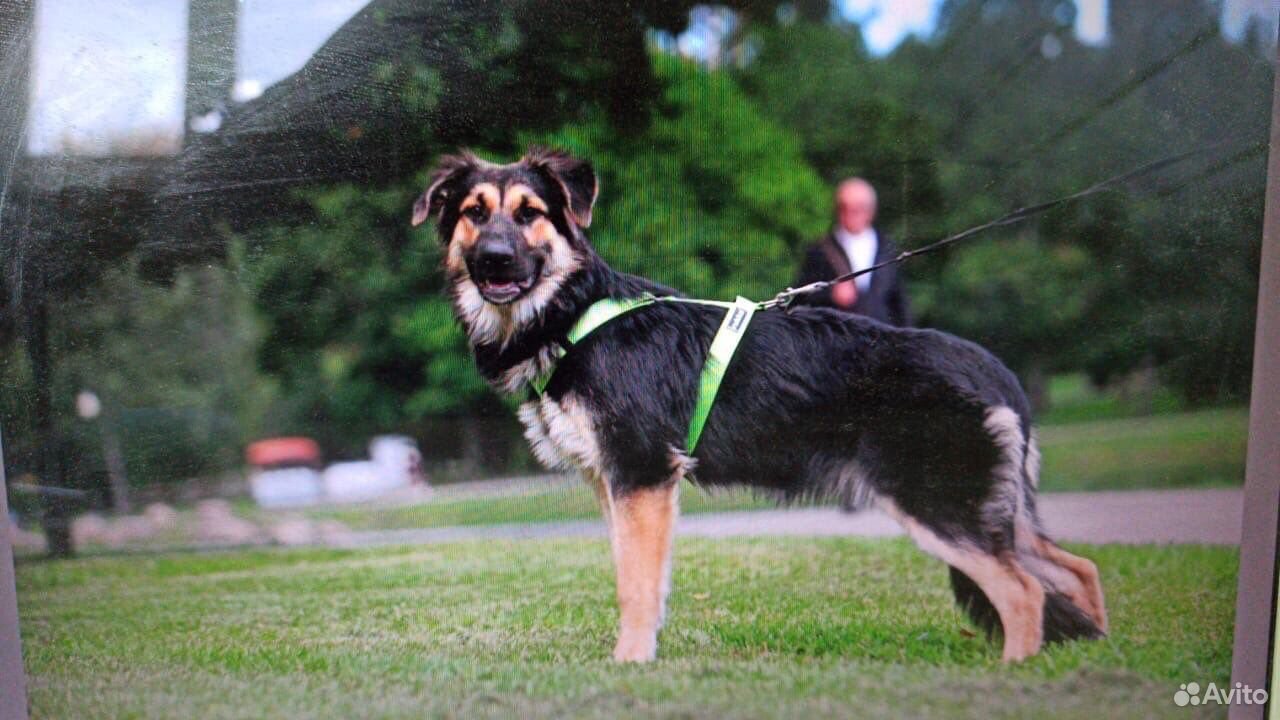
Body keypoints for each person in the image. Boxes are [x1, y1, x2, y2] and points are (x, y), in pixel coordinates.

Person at [793, 178, 911, 327]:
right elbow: (800, 296)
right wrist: (830, 294)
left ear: (871, 211)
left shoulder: (886, 247)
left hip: (880, 336)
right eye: (843, 207)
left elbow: (898, 301)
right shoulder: (820, 249)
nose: (849, 213)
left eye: (857, 208)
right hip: (837, 337)